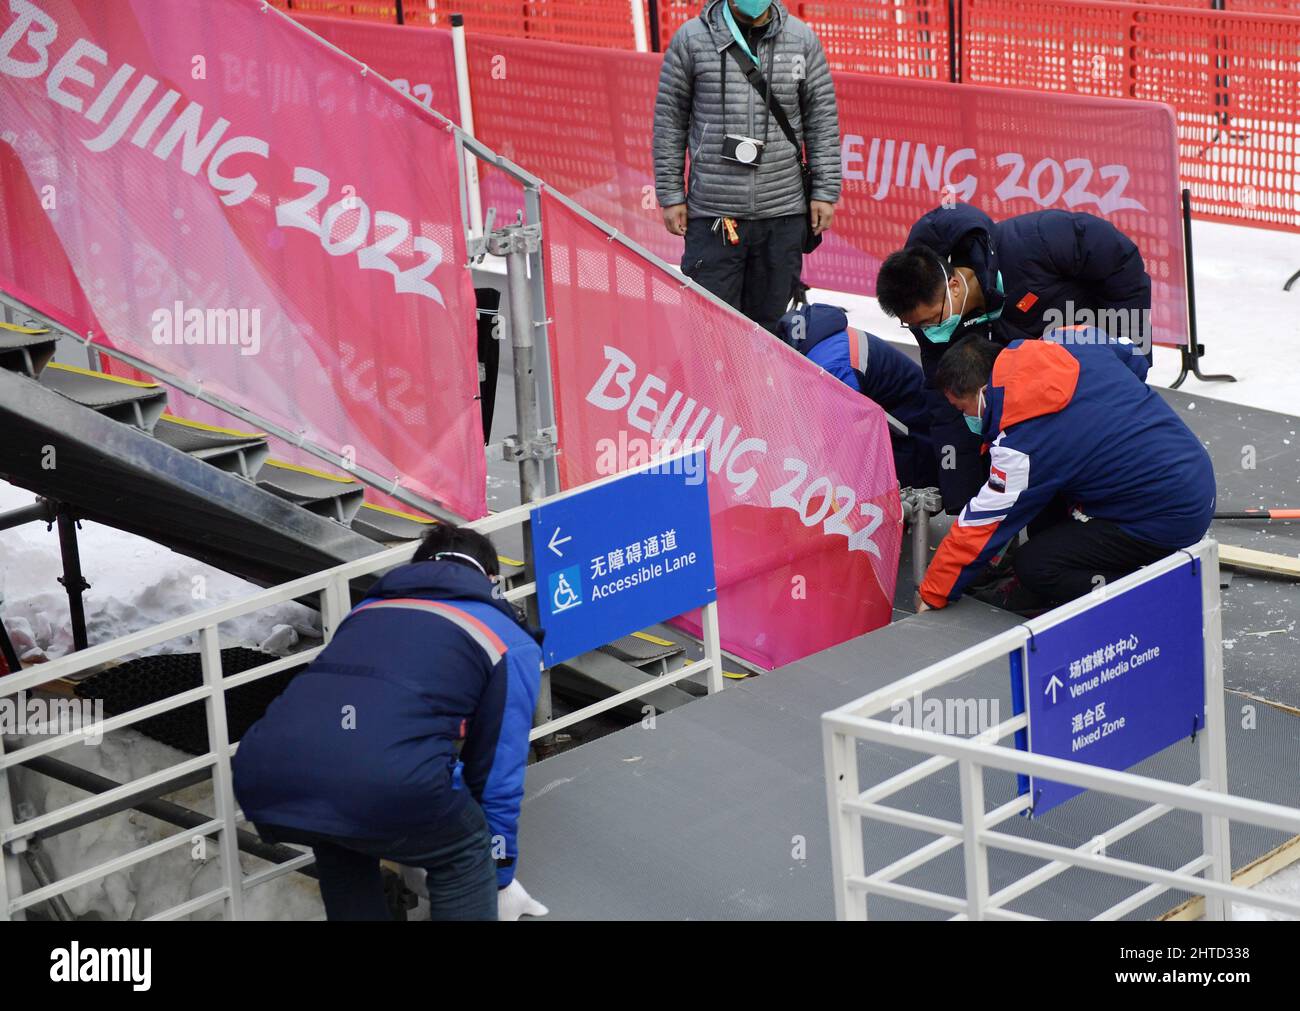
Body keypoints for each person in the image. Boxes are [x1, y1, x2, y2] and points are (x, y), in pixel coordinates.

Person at [232, 524, 547, 921]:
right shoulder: (505, 637)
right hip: (377, 780)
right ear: (492, 580)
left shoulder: (366, 611)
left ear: (416, 569)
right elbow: (499, 770)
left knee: (341, 835)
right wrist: (498, 873)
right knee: (466, 854)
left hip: (268, 772)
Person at [875, 202, 1152, 513]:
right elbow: (948, 405)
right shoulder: (935, 325)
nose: (928, 333)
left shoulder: (1036, 240)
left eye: (931, 321)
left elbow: (1120, 259)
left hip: (1092, 350)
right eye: (915, 326)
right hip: (1041, 385)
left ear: (953, 286)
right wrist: (964, 503)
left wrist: (1131, 347)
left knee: (1112, 444)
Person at [915, 330, 1215, 614]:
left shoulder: (1023, 444)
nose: (964, 417)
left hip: (1168, 518)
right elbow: (1131, 355)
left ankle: (1156, 591)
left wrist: (934, 592)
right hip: (1194, 471)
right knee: (1050, 504)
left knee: (1035, 565)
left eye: (962, 408)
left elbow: (984, 523)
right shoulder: (1068, 339)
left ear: (983, 392)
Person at [654, 0, 841, 333]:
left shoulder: (802, 40)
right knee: (709, 329)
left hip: (782, 212)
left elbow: (821, 119)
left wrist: (825, 191)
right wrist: (671, 195)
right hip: (715, 215)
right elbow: (670, 120)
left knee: (769, 332)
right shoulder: (692, 40)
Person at [776, 302, 938, 490]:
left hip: (912, 423)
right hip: (899, 408)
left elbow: (836, 432)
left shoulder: (832, 366)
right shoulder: (820, 340)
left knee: (896, 496)